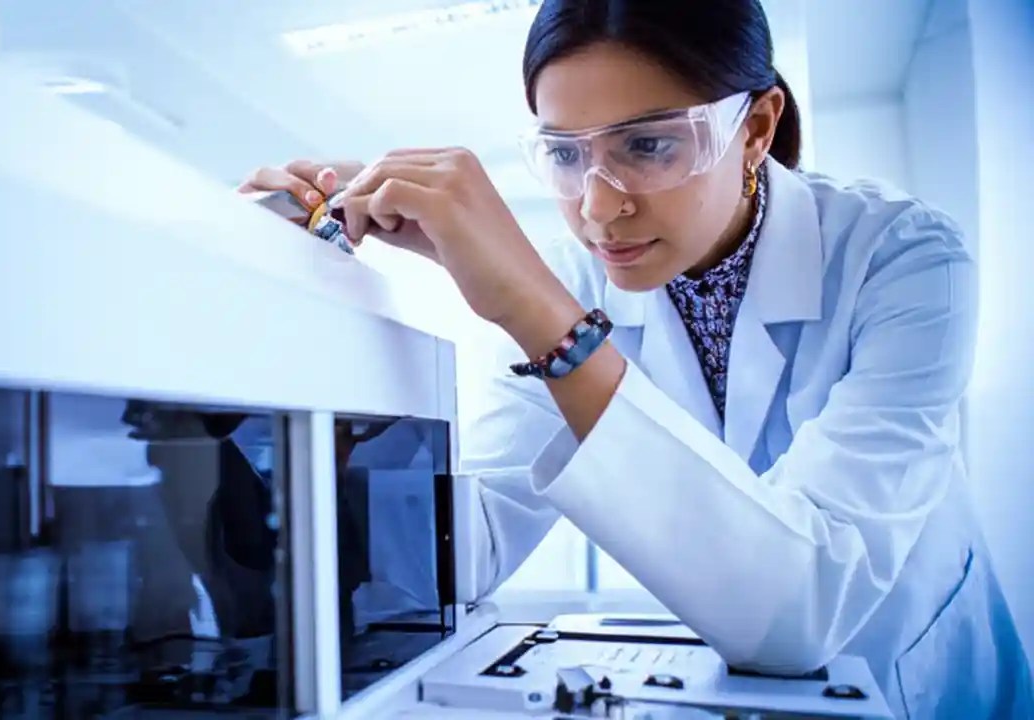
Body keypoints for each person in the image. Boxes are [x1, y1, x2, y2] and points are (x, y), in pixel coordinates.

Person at [237, 0, 1032, 716]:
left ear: (754, 128)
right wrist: (314, 308)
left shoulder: (904, 258)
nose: (598, 206)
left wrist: (541, 317)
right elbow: (453, 558)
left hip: (916, 680)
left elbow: (803, 610)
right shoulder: (577, 280)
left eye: (648, 145)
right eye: (566, 154)